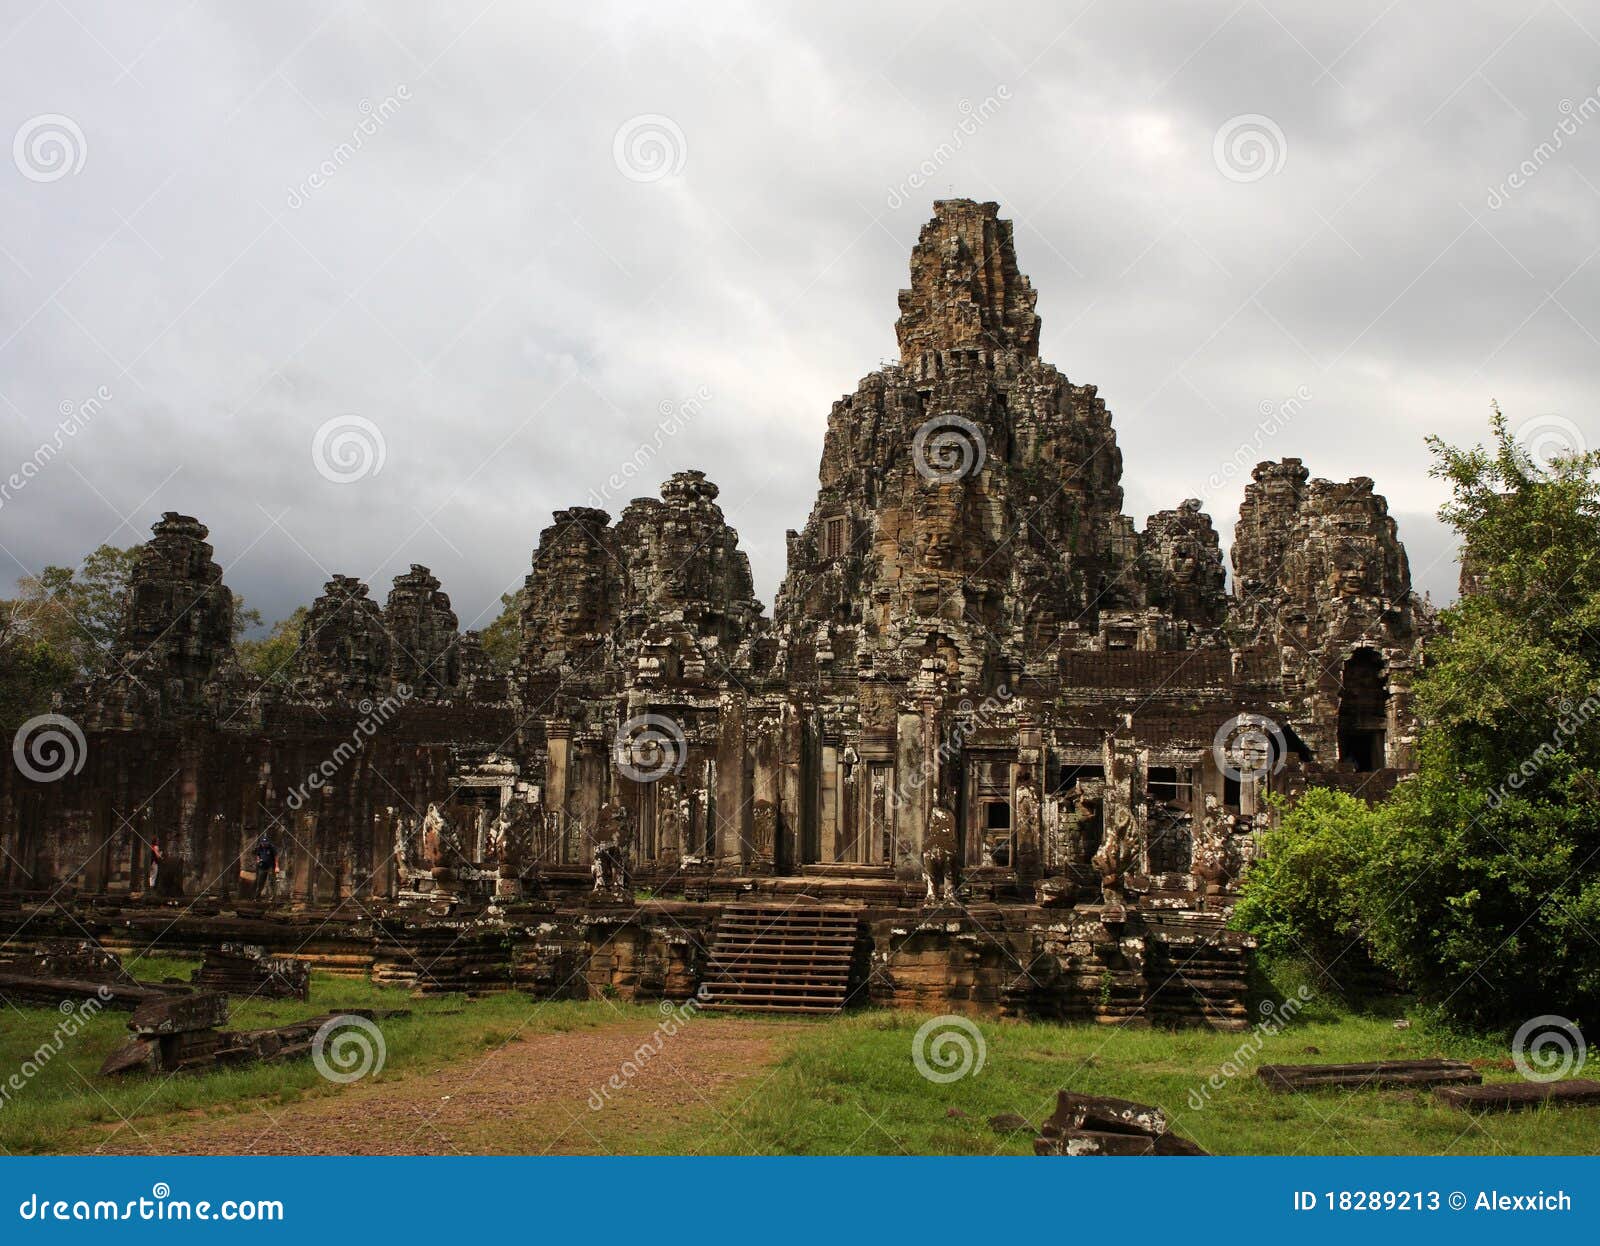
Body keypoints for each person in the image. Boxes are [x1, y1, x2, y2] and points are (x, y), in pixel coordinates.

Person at [253, 833, 278, 901]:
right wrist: (258, 860)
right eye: (263, 843)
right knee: (260, 881)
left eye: (266, 843)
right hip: (262, 866)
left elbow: (276, 857)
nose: (264, 844)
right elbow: (257, 855)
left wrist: (276, 866)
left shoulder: (271, 847)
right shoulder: (259, 848)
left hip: (271, 866)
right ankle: (257, 897)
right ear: (261, 843)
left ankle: (273, 896)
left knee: (271, 881)